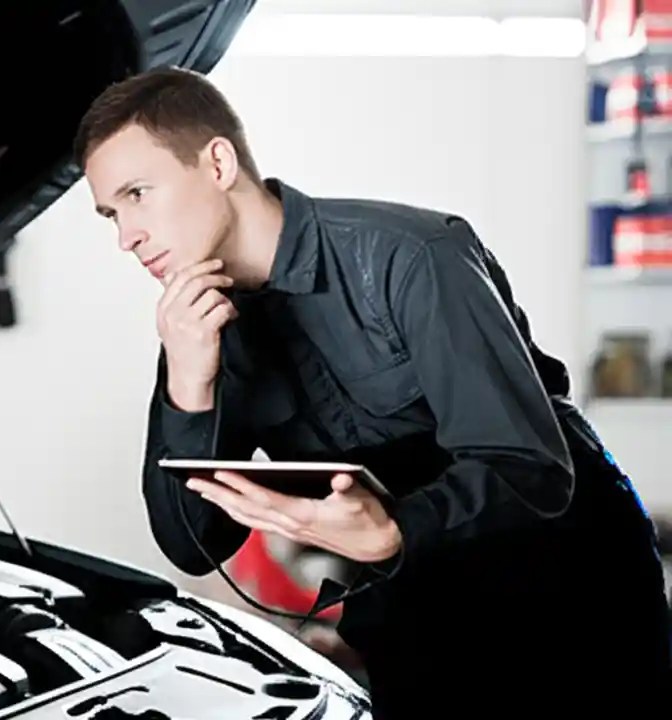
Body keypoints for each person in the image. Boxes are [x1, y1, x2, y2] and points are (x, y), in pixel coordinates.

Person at [74, 67, 670, 715]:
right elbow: (192, 545)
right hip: (418, 611)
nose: (125, 236)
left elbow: (531, 468)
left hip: (569, 591)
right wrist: (189, 384)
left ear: (217, 163)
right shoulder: (197, 325)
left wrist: (394, 530)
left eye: (138, 194)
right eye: (111, 212)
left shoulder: (415, 255)